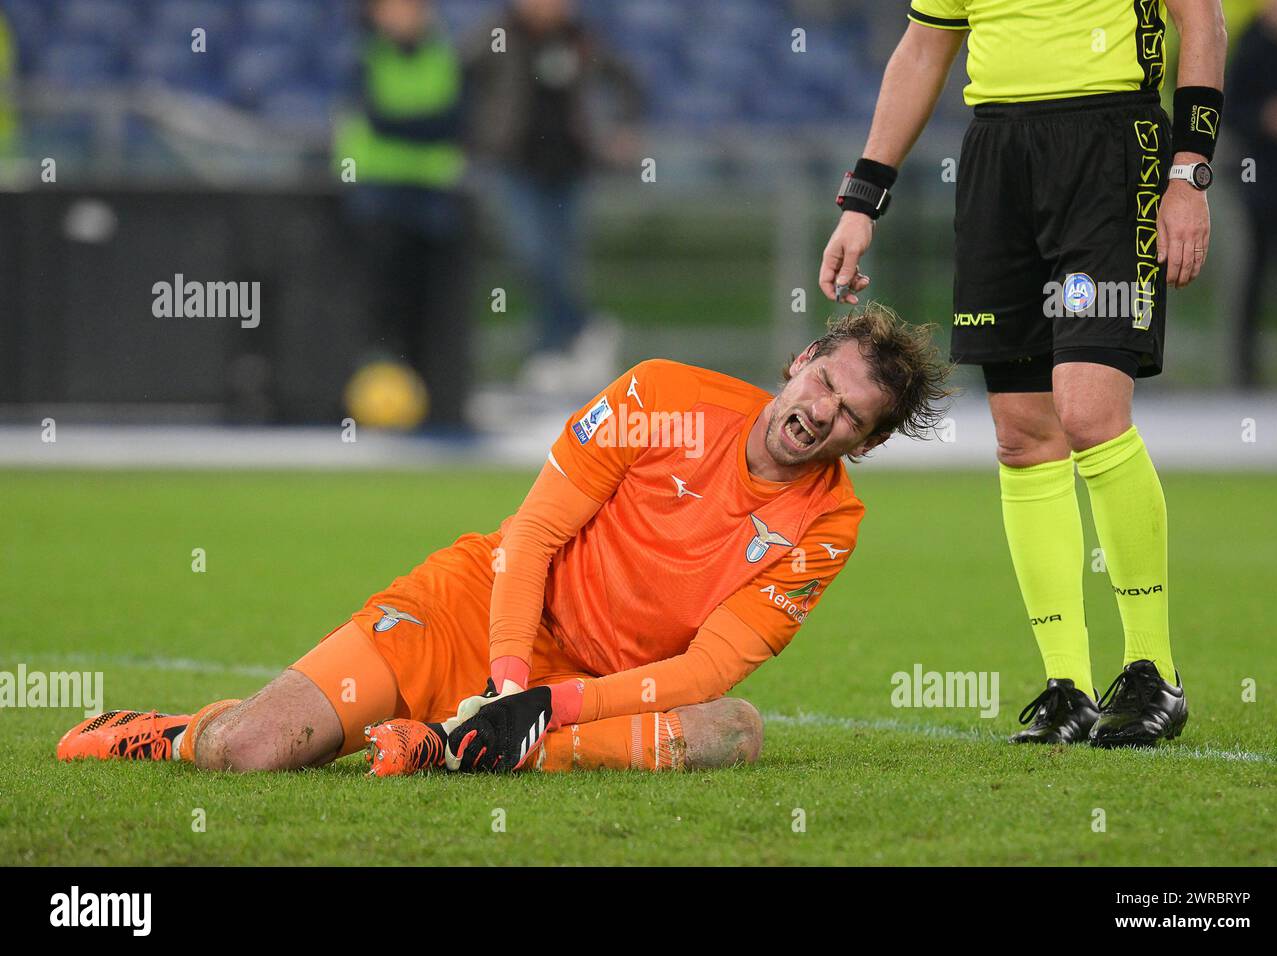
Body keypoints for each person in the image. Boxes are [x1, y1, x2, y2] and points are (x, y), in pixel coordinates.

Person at [57, 304, 951, 775]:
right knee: (250, 751)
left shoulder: (829, 525)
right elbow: (531, 535)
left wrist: (549, 708)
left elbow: (709, 672)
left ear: (863, 445)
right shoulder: (662, 394)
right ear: (800, 361)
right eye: (824, 382)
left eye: (848, 415)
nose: (818, 413)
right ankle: (170, 736)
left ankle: (442, 746)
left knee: (733, 730)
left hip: (595, 690)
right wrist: (510, 681)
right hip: (478, 609)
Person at [820, 1, 1228, 746]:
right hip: (998, 159)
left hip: (1112, 147)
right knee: (1020, 435)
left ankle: (1152, 671)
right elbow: (922, 49)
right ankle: (1067, 685)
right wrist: (862, 199)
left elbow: (1201, 18)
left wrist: (1189, 173)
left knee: (1088, 409)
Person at [462, 0, 643, 394]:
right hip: (516, 165)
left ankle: (550, 352)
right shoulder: (496, 36)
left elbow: (625, 78)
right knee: (531, 255)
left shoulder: (580, 38)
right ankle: (581, 330)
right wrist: (474, 138)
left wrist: (623, 128)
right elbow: (458, 80)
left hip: (569, 169)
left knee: (561, 263)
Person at [336, 0, 473, 428]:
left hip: (432, 194)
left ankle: (433, 404)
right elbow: (381, 120)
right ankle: (367, 397)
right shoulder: (362, 56)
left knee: (431, 305)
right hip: (378, 193)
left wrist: (412, 125)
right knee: (380, 302)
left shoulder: (444, 54)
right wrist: (425, 127)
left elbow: (453, 121)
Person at [1227, 0, 1277, 389]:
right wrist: (1265, 118)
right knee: (1256, 276)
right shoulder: (1251, 44)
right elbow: (1233, 108)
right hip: (1261, 183)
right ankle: (1246, 374)